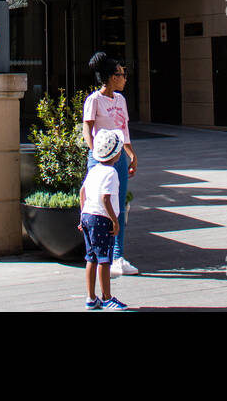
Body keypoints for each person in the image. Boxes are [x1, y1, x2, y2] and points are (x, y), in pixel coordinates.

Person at [82, 51, 138, 275]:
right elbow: (87, 127)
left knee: (119, 203)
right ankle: (99, 254)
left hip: (119, 158)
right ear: (112, 77)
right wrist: (94, 151)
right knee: (99, 203)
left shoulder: (121, 100)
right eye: (122, 74)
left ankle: (118, 256)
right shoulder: (94, 100)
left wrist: (131, 153)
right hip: (100, 159)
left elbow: (123, 129)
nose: (125, 78)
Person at [77, 128, 127, 310]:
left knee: (90, 258)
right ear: (115, 154)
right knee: (104, 259)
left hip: (88, 216)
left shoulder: (94, 170)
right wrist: (114, 220)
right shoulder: (111, 173)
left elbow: (82, 192)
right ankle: (107, 297)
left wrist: (82, 215)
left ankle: (91, 298)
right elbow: (106, 198)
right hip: (102, 219)